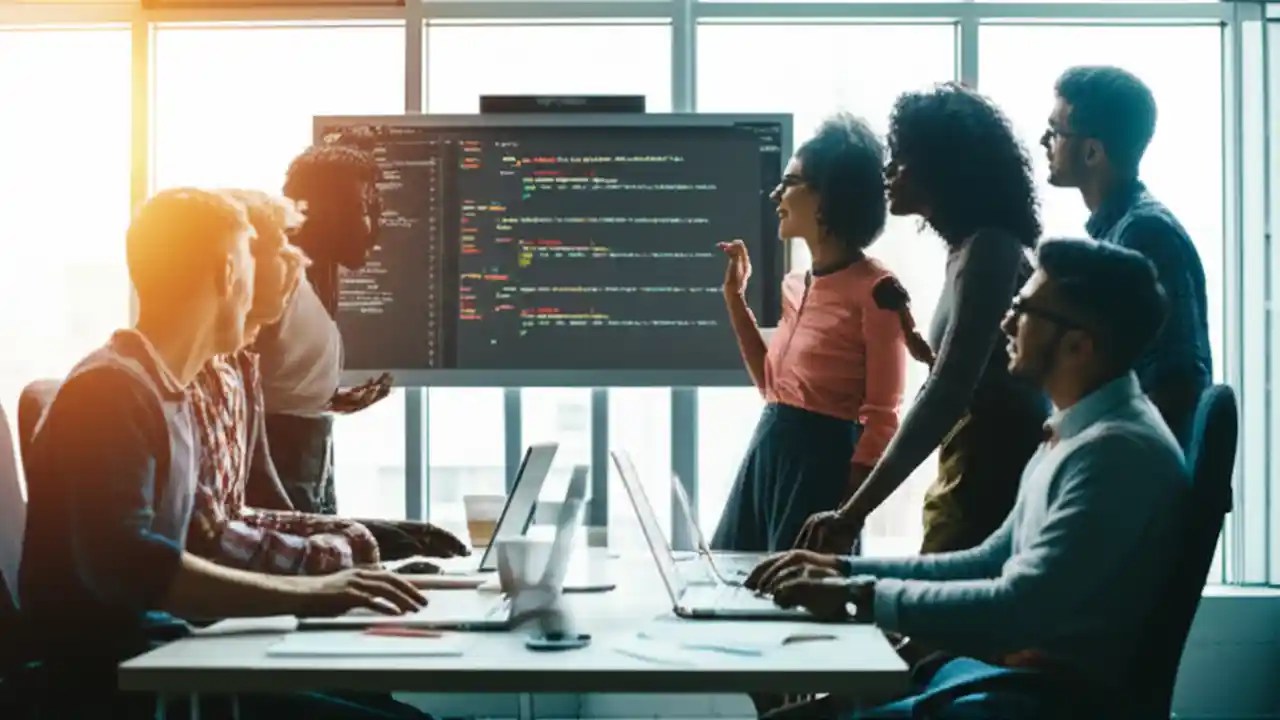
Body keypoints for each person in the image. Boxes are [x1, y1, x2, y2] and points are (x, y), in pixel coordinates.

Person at [19, 189, 430, 719]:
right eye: (248, 267)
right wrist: (313, 592)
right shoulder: (111, 393)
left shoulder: (164, 388)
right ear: (226, 275)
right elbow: (134, 567)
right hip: (125, 681)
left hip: (168, 654)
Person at [751, 238, 1188, 719]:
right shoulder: (1082, 430)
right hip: (1011, 682)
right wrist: (845, 571)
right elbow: (991, 560)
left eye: (1024, 310)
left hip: (1046, 701)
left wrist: (859, 596)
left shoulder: (1114, 454)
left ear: (1078, 345)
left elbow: (1016, 607)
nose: (1006, 322)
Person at [795, 83, 1051, 556]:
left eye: (904, 156)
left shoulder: (989, 250)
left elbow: (950, 393)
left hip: (990, 485)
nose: (889, 170)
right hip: (970, 474)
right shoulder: (969, 249)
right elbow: (973, 370)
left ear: (943, 166)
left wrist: (853, 511)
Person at [187, 189, 468, 575]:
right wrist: (355, 553)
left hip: (307, 455)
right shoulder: (176, 386)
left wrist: (363, 538)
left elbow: (240, 510)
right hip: (290, 457)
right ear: (232, 269)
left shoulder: (230, 376)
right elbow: (206, 542)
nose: (294, 259)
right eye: (279, 247)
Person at [710, 112, 931, 553]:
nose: (777, 194)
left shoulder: (877, 290)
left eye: (790, 182)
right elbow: (774, 390)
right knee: (734, 585)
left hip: (822, 471)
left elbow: (883, 416)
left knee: (793, 606)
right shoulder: (795, 284)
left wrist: (847, 508)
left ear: (829, 196)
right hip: (767, 453)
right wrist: (736, 301)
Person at [1046, 65, 1211, 447]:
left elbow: (1177, 379)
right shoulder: (1122, 228)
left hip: (1138, 474)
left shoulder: (1144, 235)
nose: (1045, 141)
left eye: (1056, 132)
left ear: (1092, 152)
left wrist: (1089, 447)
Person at [253, 143, 392, 516]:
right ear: (319, 212)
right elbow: (238, 403)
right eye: (363, 209)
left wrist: (325, 396)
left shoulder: (320, 279)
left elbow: (275, 381)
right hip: (273, 498)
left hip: (305, 483)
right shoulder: (277, 284)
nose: (374, 225)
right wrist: (291, 520)